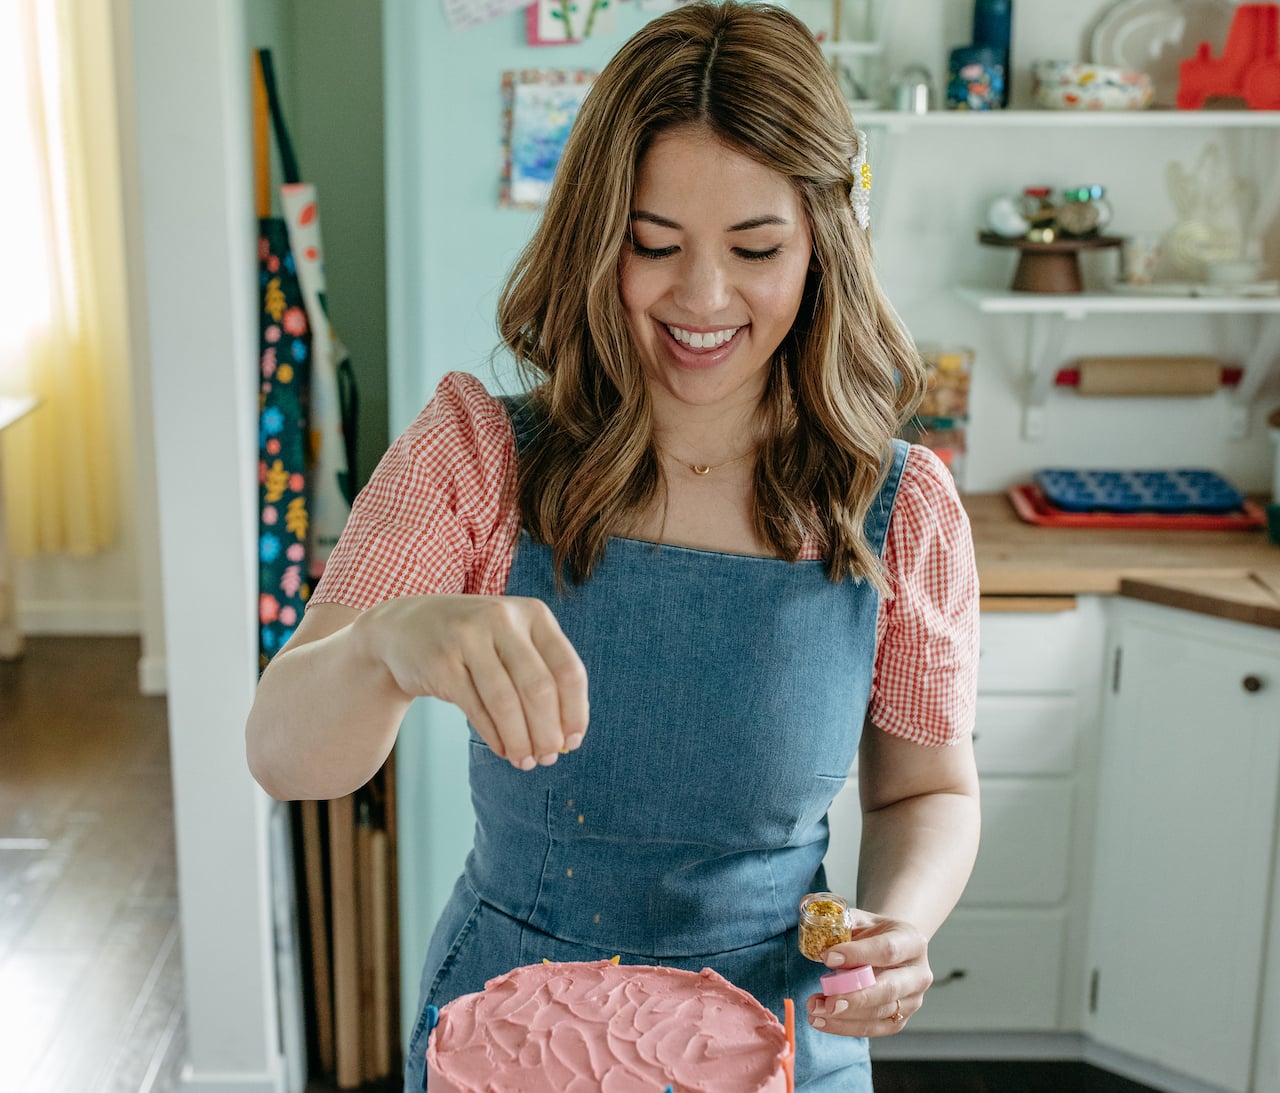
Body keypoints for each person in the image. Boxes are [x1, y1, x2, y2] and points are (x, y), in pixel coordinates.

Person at [245, 3, 981, 1089]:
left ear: (824, 242)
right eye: (653, 244)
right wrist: (385, 645)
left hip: (782, 1046)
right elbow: (283, 754)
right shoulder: (475, 458)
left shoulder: (899, 510)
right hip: (505, 1041)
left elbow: (924, 790)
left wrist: (900, 925)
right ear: (598, 237)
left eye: (755, 248)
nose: (701, 296)